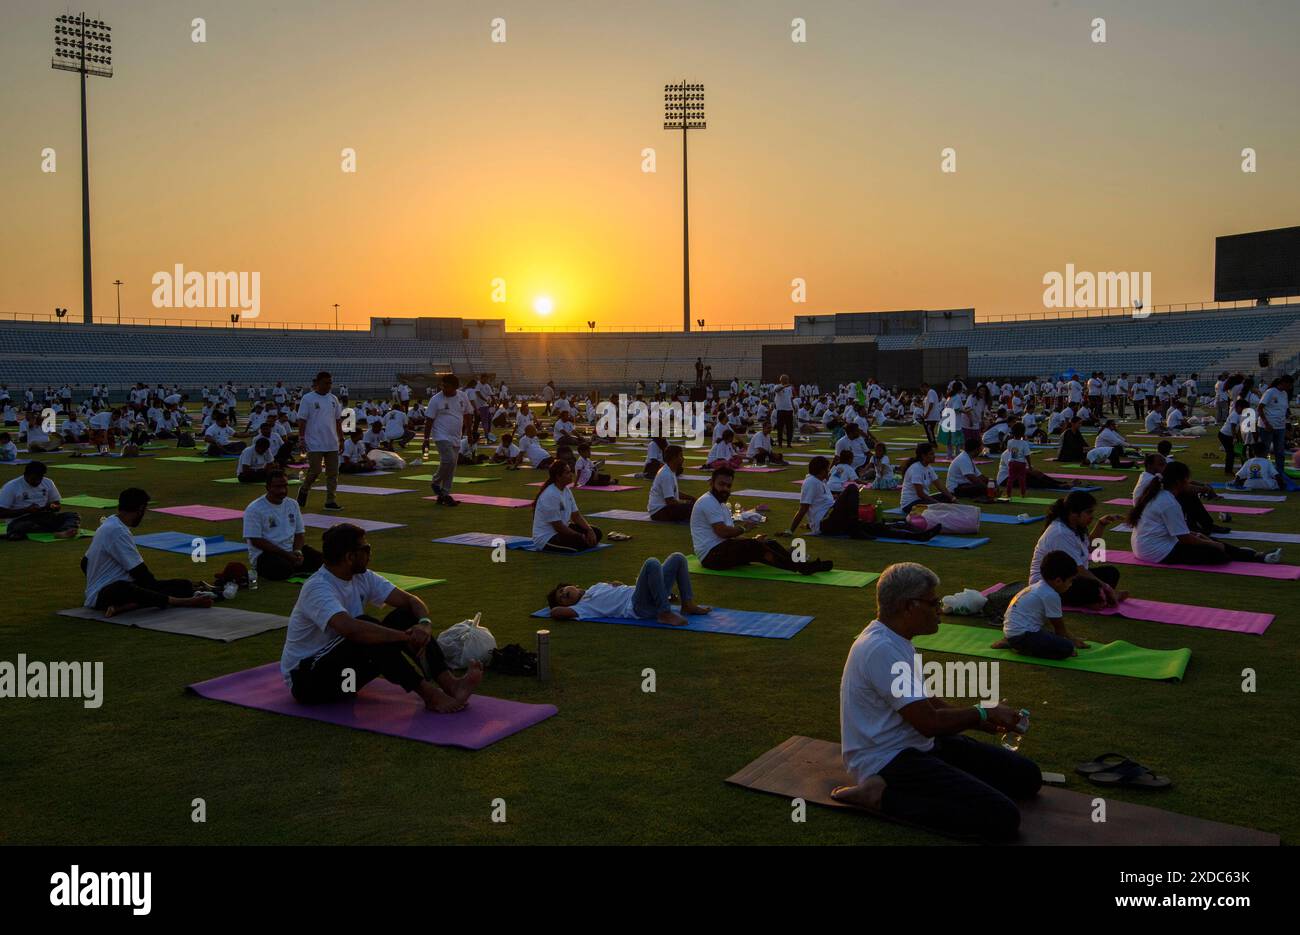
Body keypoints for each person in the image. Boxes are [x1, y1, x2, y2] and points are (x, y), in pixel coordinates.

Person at [833, 562, 1039, 841]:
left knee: (1027, 777)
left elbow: (927, 702)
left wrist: (984, 721)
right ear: (909, 607)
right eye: (933, 602)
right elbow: (928, 722)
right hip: (888, 759)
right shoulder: (880, 649)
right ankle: (880, 795)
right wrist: (981, 712)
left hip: (919, 744)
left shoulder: (896, 639)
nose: (940, 609)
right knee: (1002, 817)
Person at [280, 522, 482, 712]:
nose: (370, 553)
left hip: (346, 680)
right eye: (366, 549)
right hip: (309, 683)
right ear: (350, 557)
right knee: (365, 628)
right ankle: (429, 694)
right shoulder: (318, 587)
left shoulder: (362, 576)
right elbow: (350, 629)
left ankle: (451, 684)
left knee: (404, 616)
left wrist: (424, 625)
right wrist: (406, 637)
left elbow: (411, 601)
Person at [80, 487, 215, 616]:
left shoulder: (109, 523)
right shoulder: (117, 531)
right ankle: (183, 602)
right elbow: (140, 573)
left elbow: (84, 563)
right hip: (106, 594)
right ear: (140, 509)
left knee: (181, 585)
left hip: (107, 590)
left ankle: (126, 606)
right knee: (134, 588)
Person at [1129, 461, 1281, 565]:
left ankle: (1253, 555)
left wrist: (1205, 539)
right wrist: (1212, 544)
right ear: (1179, 482)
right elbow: (1185, 539)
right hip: (1156, 551)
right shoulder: (1168, 502)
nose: (1189, 483)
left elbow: (1183, 534)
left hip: (1148, 546)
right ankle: (1248, 555)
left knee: (1206, 539)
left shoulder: (1159, 495)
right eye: (1187, 480)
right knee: (1218, 555)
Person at [690, 466, 831, 573]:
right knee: (755, 546)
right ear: (711, 483)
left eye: (728, 486)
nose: (725, 489)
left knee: (769, 543)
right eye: (721, 484)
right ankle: (802, 567)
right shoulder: (707, 501)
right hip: (711, 557)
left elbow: (729, 537)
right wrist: (744, 529)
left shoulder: (721, 505)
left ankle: (800, 562)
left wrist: (752, 538)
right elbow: (723, 533)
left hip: (721, 550)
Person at [785, 457, 938, 541]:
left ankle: (917, 535)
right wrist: (790, 530)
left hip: (832, 517)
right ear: (820, 470)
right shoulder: (811, 482)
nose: (828, 472)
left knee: (877, 526)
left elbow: (819, 504)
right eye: (826, 469)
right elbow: (803, 508)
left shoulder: (820, 481)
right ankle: (854, 528)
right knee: (851, 488)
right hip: (826, 522)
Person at [546, 553, 711, 627]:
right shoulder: (581, 608)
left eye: (562, 590)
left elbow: (616, 588)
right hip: (639, 607)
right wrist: (556, 607)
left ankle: (687, 604)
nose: (563, 594)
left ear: (574, 585)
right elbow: (556, 613)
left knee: (678, 558)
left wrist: (616, 584)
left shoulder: (596, 587)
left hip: (645, 595)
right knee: (652, 563)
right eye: (561, 598)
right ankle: (664, 614)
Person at [1030, 491, 1126, 608]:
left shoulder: (1076, 526)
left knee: (1111, 573)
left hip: (1068, 577)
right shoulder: (1060, 533)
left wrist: (1101, 524)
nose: (1092, 516)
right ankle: (1098, 598)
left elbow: (1090, 547)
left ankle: (1099, 598)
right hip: (1051, 584)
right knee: (1093, 588)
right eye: (1088, 512)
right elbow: (1078, 570)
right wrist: (1106, 587)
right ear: (1074, 513)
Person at [995, 551, 1089, 659]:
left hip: (1012, 632)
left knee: (1050, 636)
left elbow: (1049, 625)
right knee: (1066, 648)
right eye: (1070, 581)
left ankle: (1012, 641)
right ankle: (1019, 647)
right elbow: (1060, 629)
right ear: (1058, 581)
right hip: (1022, 636)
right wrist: (1073, 641)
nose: (1071, 584)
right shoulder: (1051, 595)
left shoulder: (1037, 587)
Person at [244, 470, 324, 581]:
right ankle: (293, 565)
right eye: (277, 487)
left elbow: (299, 533)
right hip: (266, 554)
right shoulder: (255, 509)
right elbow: (256, 540)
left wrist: (297, 551)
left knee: (323, 560)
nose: (282, 490)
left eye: (285, 486)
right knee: (283, 570)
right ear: (268, 487)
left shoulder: (292, 504)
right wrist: (287, 555)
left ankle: (296, 563)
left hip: (291, 551)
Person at [422, 373, 475, 507]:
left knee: (452, 466)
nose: (443, 389)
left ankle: (444, 494)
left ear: (456, 387)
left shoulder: (462, 396)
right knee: (448, 460)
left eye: (447, 386)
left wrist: (469, 432)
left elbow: (468, 414)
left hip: (456, 436)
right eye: (442, 386)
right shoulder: (436, 399)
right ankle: (435, 482)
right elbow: (429, 420)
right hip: (441, 436)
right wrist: (426, 439)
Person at [296, 371, 344, 513]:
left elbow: (337, 421)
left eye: (330, 383)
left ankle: (330, 500)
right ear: (317, 383)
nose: (328, 385)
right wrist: (301, 438)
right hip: (314, 442)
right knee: (315, 470)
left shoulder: (333, 399)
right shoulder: (308, 398)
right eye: (326, 383)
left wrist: (341, 438)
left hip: (332, 442)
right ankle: (304, 489)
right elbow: (302, 420)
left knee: (333, 473)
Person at [532, 460, 603, 552]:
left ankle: (585, 541)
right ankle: (584, 542)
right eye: (567, 473)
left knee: (597, 532)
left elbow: (576, 515)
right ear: (558, 476)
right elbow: (558, 526)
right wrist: (579, 536)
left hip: (562, 529)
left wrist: (589, 530)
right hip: (547, 537)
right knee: (579, 543)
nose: (571, 475)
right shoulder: (550, 495)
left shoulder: (566, 490)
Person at [0, 461, 81, 540]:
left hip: (44, 516)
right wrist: (26, 510)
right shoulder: (11, 487)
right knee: (22, 526)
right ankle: (18, 532)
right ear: (25, 475)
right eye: (33, 479)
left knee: (72, 515)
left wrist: (53, 507)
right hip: (22, 519)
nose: (37, 481)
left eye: (40, 478)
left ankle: (65, 531)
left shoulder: (48, 482)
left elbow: (57, 504)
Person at [900, 443, 955, 513]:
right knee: (937, 507)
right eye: (931, 454)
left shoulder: (929, 468)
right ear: (923, 456)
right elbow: (920, 494)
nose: (934, 456)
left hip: (922, 500)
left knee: (946, 496)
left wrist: (952, 498)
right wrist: (936, 503)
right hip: (910, 504)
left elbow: (940, 486)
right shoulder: (916, 469)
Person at [1258, 374, 1293, 479]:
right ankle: (1263, 473)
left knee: (1280, 452)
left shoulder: (1285, 394)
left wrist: (1288, 419)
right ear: (1284, 383)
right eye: (1290, 384)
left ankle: (1280, 473)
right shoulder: (1270, 392)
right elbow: (1260, 408)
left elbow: (1284, 409)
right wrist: (1266, 423)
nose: (1290, 387)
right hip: (1267, 427)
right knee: (1265, 451)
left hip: (1280, 427)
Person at [648, 445, 694, 522]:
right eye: (680, 456)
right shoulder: (666, 474)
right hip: (660, 512)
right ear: (673, 458)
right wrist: (686, 503)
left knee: (693, 507)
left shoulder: (670, 470)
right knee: (693, 508)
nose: (683, 459)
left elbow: (674, 492)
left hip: (663, 509)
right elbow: (670, 501)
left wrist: (692, 498)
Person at [773, 374, 795, 448]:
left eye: (788, 379)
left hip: (789, 409)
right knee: (780, 428)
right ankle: (780, 444)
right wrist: (785, 386)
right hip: (781, 410)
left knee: (790, 428)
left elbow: (790, 398)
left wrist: (793, 406)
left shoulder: (789, 388)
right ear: (781, 380)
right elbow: (776, 390)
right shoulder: (777, 386)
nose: (787, 380)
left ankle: (789, 444)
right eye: (786, 379)